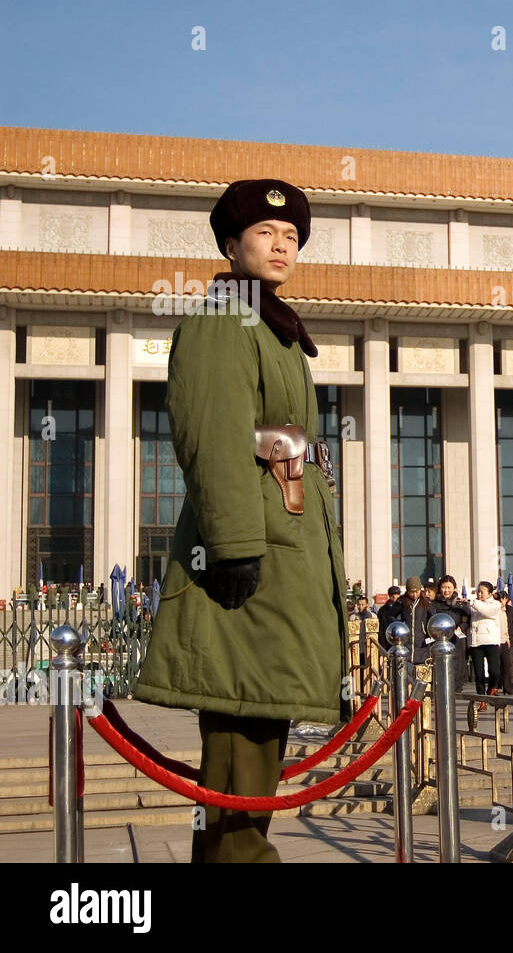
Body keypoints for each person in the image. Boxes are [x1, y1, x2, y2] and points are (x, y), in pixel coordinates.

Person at [134, 179, 347, 863]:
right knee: (240, 723)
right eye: (265, 234)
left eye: (291, 237)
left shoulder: (274, 329)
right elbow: (215, 435)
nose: (281, 245)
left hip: (283, 547)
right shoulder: (223, 321)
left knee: (261, 718)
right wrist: (232, 547)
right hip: (252, 556)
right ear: (231, 246)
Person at [429, 576, 472, 689]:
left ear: (454, 588)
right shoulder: (433, 604)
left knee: (456, 664)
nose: (446, 590)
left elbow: (467, 619)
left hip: (455, 640)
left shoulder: (460, 603)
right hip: (438, 640)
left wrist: (461, 627)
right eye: (444, 587)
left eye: (449, 587)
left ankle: (457, 687)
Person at [468, 581, 503, 710]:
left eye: (481, 591)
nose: (479, 593)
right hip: (476, 642)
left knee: (494, 670)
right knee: (478, 673)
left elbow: (487, 612)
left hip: (491, 641)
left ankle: (492, 688)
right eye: (478, 591)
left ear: (489, 593)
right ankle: (481, 699)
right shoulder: (474, 605)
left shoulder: (495, 605)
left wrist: (474, 603)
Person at [497, 590, 513, 693]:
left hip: (507, 638)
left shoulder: (509, 610)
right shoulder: (495, 609)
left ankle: (507, 686)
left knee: (507, 663)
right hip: (497, 638)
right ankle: (500, 685)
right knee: (499, 664)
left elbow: (509, 623)